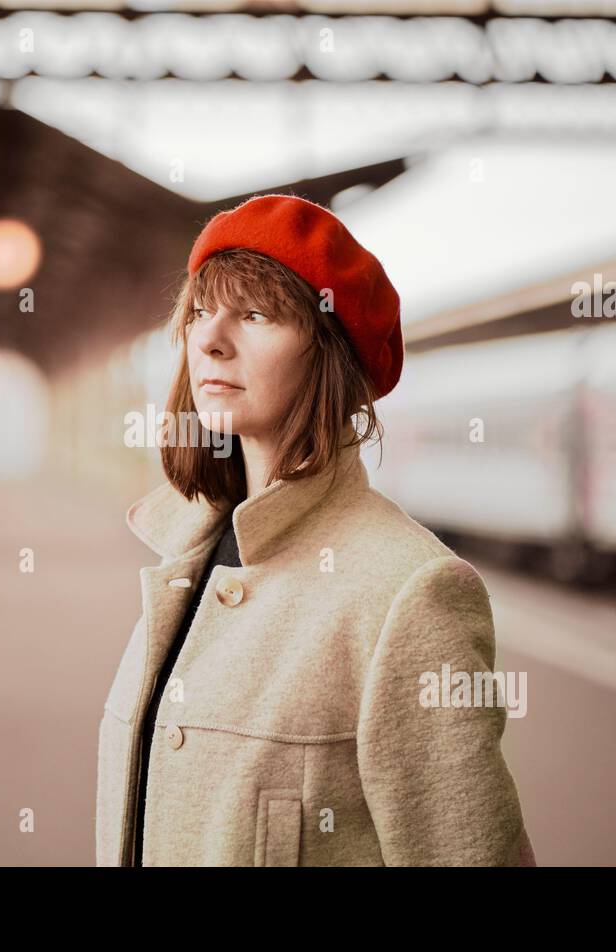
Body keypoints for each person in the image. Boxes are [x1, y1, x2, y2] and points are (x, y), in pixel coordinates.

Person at [96, 193, 537, 867]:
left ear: (329, 355)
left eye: (255, 314)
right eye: (201, 311)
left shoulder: (408, 593)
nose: (211, 339)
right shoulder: (183, 553)